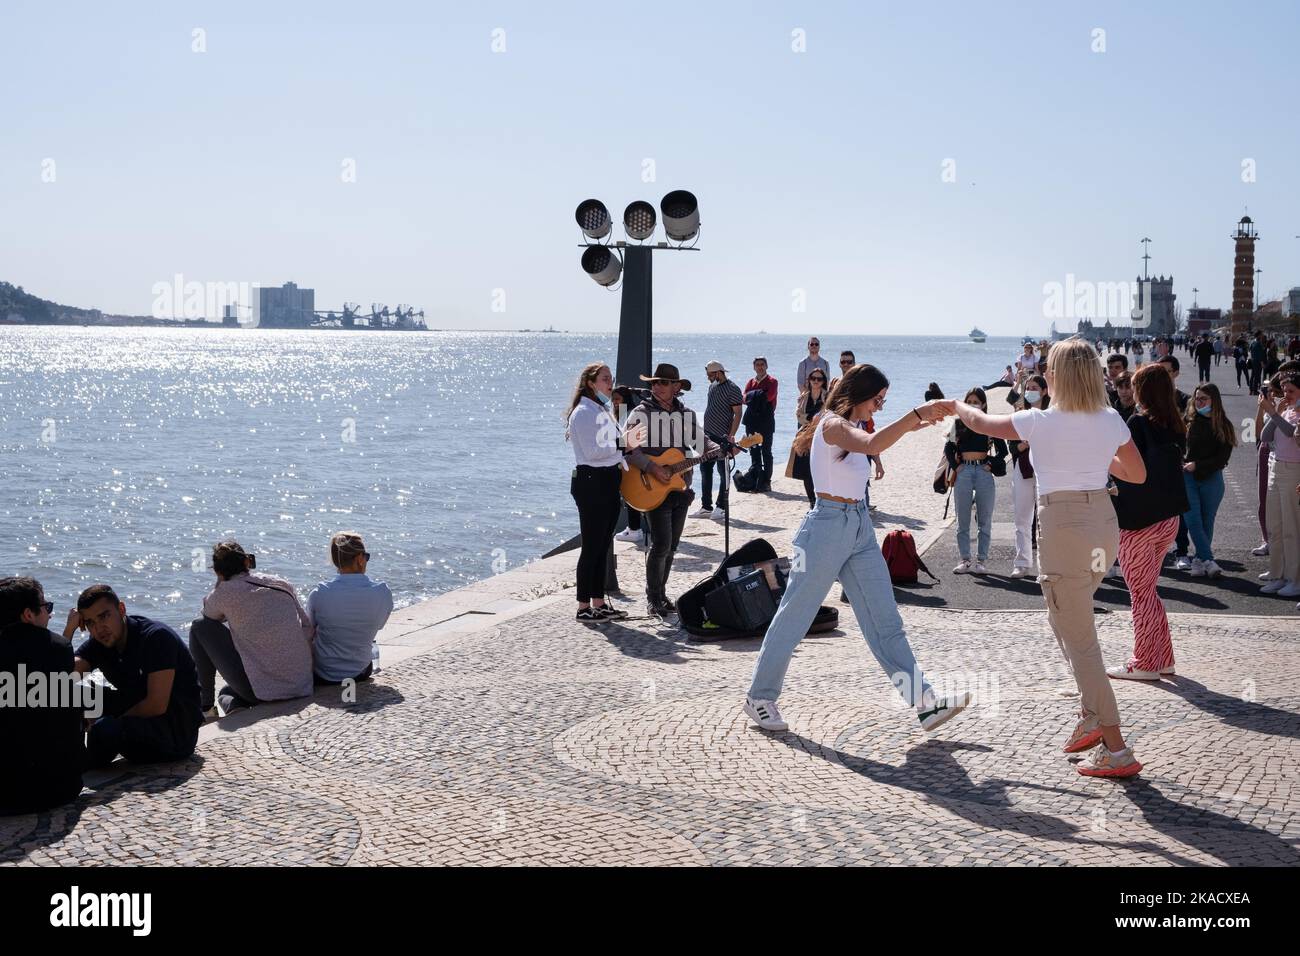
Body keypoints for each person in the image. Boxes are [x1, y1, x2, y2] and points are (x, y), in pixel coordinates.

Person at [942, 338, 1147, 778]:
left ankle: (1115, 746)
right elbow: (1136, 473)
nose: (1044, 377)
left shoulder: (1039, 420)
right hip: (1102, 526)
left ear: (1057, 377)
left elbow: (981, 421)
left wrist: (954, 404)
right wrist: (1093, 458)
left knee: (1080, 638)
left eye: (1049, 370)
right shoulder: (1110, 418)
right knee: (1066, 622)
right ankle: (1091, 714)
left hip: (1064, 525)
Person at [743, 365, 970, 734]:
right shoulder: (832, 424)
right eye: (877, 399)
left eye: (884, 401)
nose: (878, 407)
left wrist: (922, 420)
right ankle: (759, 697)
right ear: (859, 393)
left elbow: (874, 439)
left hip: (859, 526)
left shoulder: (854, 426)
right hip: (826, 527)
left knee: (885, 620)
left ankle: (925, 702)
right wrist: (916, 414)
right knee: (795, 616)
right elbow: (871, 444)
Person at [1107, 364, 1189, 680]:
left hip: (1139, 521)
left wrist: (1100, 453)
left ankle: (1144, 662)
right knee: (1148, 591)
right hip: (1168, 518)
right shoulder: (1175, 423)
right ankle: (1163, 658)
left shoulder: (1138, 423)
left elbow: (1128, 468)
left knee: (1141, 595)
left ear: (1143, 391)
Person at [624, 363, 721, 617]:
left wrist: (717, 448)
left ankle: (661, 595)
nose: (657, 386)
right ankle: (652, 598)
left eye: (663, 383)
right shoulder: (640, 413)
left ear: (676, 387)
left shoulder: (686, 414)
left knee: (672, 546)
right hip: (650, 487)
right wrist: (652, 468)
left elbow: (701, 441)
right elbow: (628, 449)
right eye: (654, 382)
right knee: (660, 544)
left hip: (680, 486)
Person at [69, 585, 203, 767]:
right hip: (134, 709)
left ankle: (82, 761)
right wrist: (69, 630)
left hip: (174, 732)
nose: (99, 628)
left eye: (104, 616)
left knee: (104, 730)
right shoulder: (100, 642)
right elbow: (62, 677)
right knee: (69, 694)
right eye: (90, 622)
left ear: (121, 609)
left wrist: (108, 719)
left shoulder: (156, 637)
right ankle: (72, 756)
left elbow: (156, 705)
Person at [191, 540, 314, 714]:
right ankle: (233, 706)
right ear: (247, 562)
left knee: (199, 626)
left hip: (263, 693)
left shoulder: (223, 594)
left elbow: (208, 616)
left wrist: (220, 584)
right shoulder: (280, 584)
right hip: (302, 684)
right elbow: (308, 628)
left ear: (218, 571)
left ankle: (206, 707)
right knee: (229, 691)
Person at [0, 577, 84, 814]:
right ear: (28, 614)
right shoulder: (59, 647)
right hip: (59, 789)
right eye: (47, 608)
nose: (49, 615)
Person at [565, 363, 629, 622]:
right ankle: (583, 606)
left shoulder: (600, 409)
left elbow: (612, 446)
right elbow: (594, 452)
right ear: (591, 382)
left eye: (611, 379)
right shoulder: (582, 412)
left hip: (608, 479)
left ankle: (599, 602)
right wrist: (625, 444)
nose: (609, 383)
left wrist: (622, 444)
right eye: (605, 379)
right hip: (592, 482)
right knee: (591, 546)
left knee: (603, 545)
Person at [307, 532, 396, 681]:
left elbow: (308, 631)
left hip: (323, 673)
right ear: (359, 559)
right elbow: (380, 625)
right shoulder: (382, 592)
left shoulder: (319, 593)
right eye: (366, 557)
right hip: (359, 671)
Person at [944, 387, 1008, 575]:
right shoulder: (959, 423)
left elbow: (1003, 451)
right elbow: (948, 448)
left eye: (976, 401)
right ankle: (965, 559)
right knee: (962, 519)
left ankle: (981, 561)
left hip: (983, 471)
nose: (972, 405)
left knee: (984, 518)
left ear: (984, 404)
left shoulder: (989, 424)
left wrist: (990, 463)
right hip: (964, 471)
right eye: (969, 401)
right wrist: (957, 468)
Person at [1179, 384, 1235, 578]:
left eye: (1204, 398)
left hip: (1212, 478)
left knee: (1206, 521)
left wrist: (1198, 465)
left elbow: (1222, 459)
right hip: (1187, 478)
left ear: (1214, 400)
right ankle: (1209, 560)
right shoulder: (1188, 420)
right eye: (1197, 398)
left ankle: (1198, 560)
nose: (1199, 402)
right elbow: (1177, 445)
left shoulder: (1223, 425)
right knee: (1192, 520)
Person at [1260, 375, 1300, 597]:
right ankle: (1278, 573)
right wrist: (1274, 412)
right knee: (1274, 526)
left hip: (1293, 469)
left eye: (1291, 391)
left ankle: (1295, 578)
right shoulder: (1286, 410)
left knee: (1291, 528)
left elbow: (1291, 434)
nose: (1287, 395)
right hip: (1276, 467)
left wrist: (1274, 413)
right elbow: (1265, 436)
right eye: (1284, 390)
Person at [1006, 374, 1048, 577]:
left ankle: (1046, 565)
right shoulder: (1020, 414)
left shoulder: (1051, 414)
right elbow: (1012, 446)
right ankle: (1022, 562)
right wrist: (1028, 443)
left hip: (1046, 471)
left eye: (1035, 387)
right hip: (1022, 470)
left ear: (1044, 391)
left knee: (1045, 520)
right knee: (1022, 518)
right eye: (1028, 387)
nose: (1031, 391)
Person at [694, 361, 743, 520]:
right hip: (707, 436)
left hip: (723, 437)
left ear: (718, 373)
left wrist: (731, 435)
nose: (708, 378)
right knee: (705, 471)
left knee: (724, 473)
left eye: (710, 375)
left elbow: (738, 414)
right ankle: (706, 507)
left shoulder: (733, 389)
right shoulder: (712, 387)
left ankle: (721, 506)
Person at [611, 385, 650, 551]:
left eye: (617, 399)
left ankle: (634, 529)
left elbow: (631, 441)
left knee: (630, 494)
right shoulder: (625, 413)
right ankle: (635, 528)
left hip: (630, 461)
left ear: (625, 399)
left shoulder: (628, 414)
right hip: (629, 459)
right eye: (613, 400)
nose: (614, 403)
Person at [789, 367, 828, 506]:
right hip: (805, 437)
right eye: (813, 378)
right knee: (806, 472)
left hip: (822, 437)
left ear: (823, 381)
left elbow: (829, 415)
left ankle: (821, 500)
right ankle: (812, 501)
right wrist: (810, 422)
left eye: (819, 379)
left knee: (820, 470)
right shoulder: (803, 397)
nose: (816, 381)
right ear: (809, 380)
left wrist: (816, 422)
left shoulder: (827, 397)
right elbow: (798, 416)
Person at [742, 357, 778, 491]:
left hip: (766, 421)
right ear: (754, 367)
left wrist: (752, 397)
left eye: (762, 364)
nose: (760, 367)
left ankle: (767, 481)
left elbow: (769, 397)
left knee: (766, 451)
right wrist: (758, 395)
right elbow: (743, 398)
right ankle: (756, 478)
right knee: (754, 451)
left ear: (766, 366)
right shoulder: (750, 382)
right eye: (757, 365)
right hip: (751, 421)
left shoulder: (772, 381)